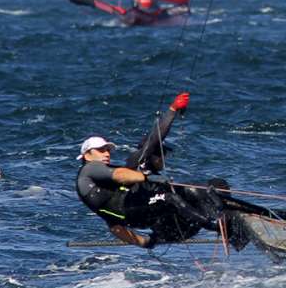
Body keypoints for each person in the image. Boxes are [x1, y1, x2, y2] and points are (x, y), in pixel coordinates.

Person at [74, 93, 226, 248]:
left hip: (139, 216)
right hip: (133, 212)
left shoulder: (102, 185)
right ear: (87, 155)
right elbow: (121, 175)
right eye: (101, 150)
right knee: (170, 198)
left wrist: (144, 242)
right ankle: (214, 226)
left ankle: (218, 213)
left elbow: (115, 228)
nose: (106, 153)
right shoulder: (90, 169)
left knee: (178, 195)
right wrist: (146, 177)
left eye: (107, 149)